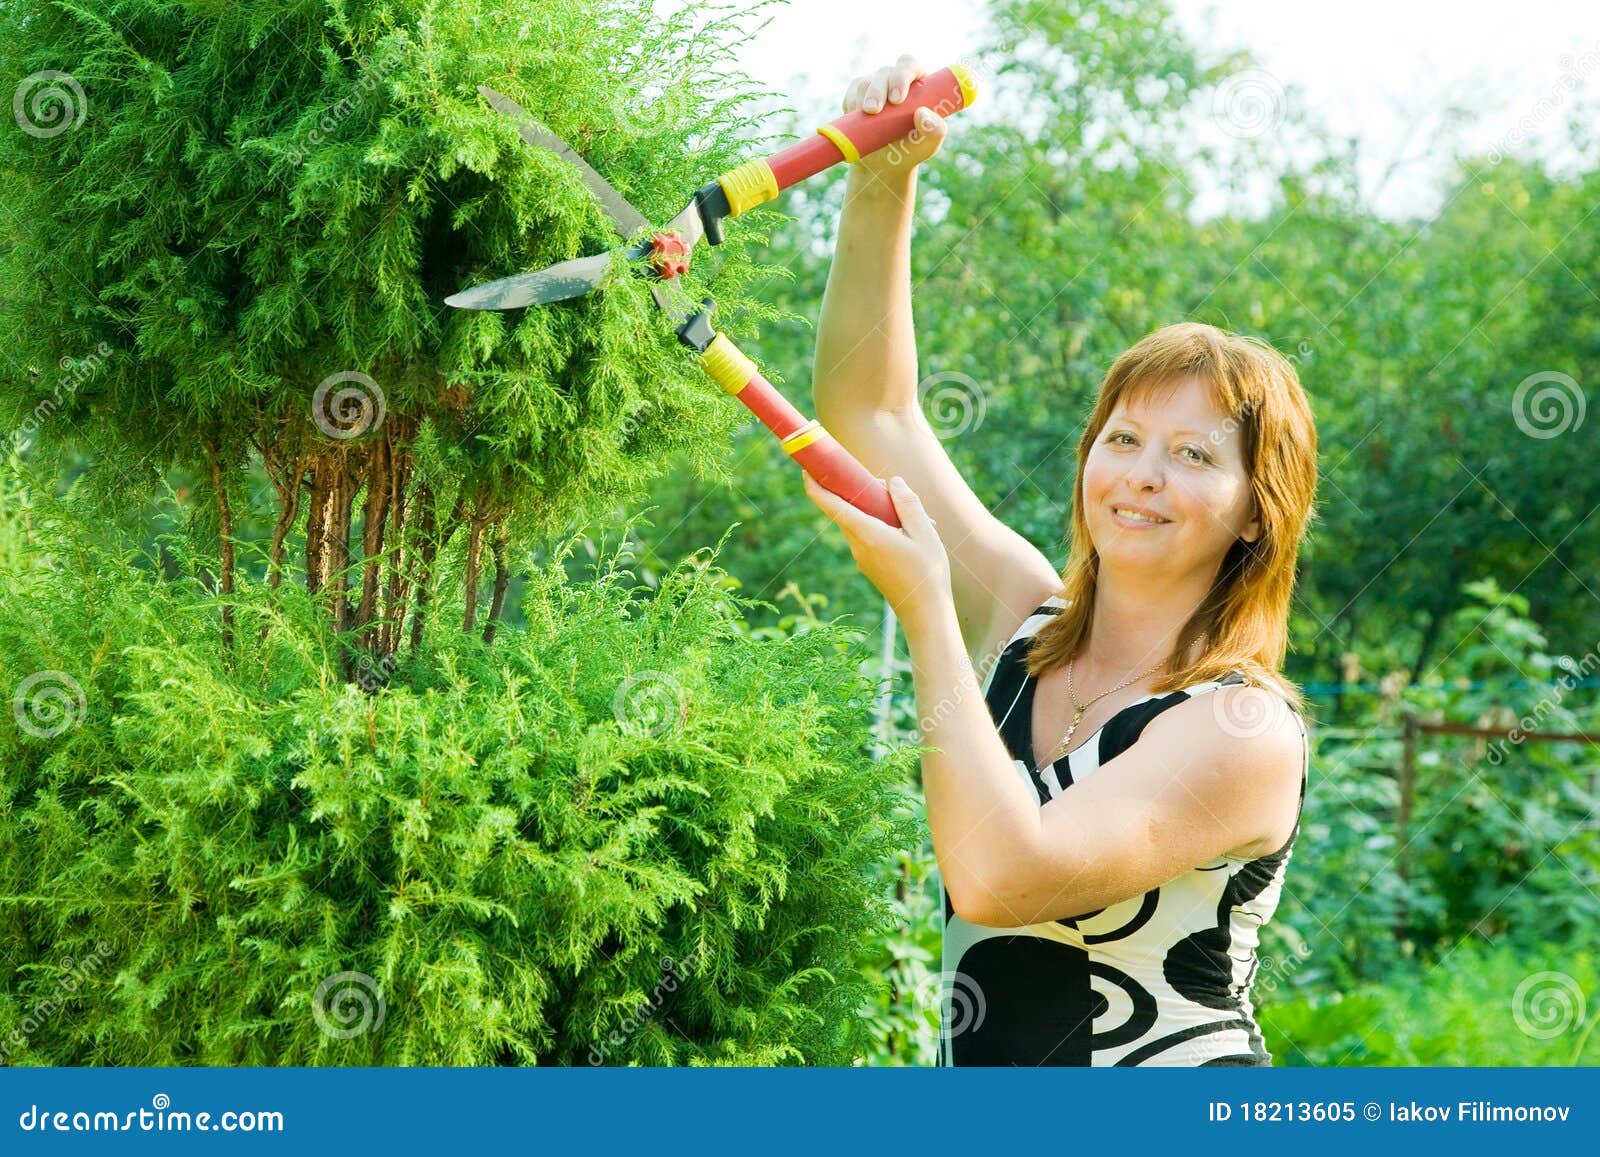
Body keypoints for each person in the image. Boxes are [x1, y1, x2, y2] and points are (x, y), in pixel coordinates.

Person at [801, 55, 1320, 1066]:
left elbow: (1004, 875)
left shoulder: (1240, 727)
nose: (1140, 476)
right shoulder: (1026, 621)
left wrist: (925, 611)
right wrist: (883, 178)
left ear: (1256, 513)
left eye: (1192, 455)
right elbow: (870, 411)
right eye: (1121, 438)